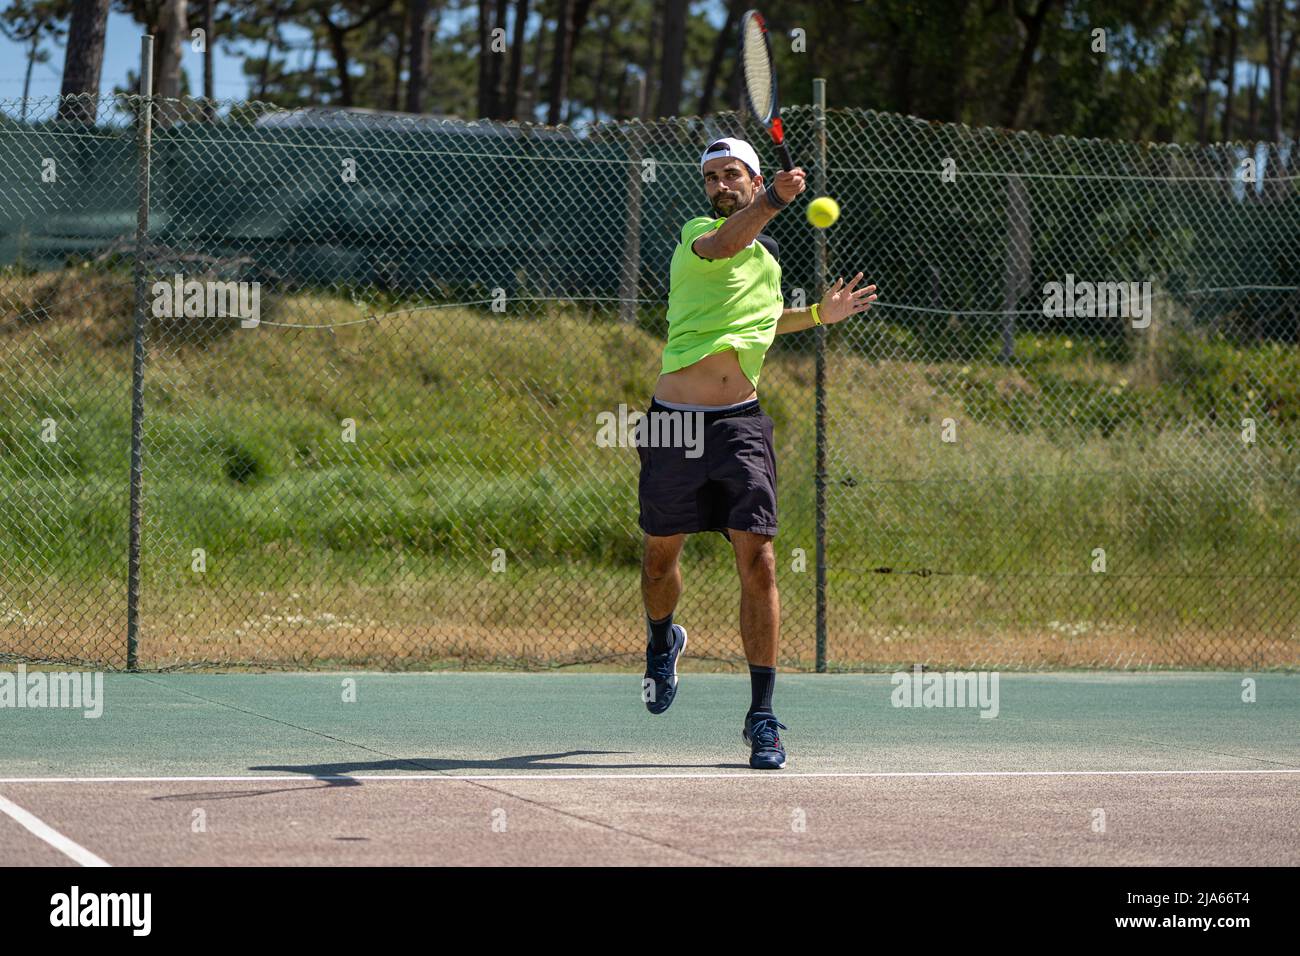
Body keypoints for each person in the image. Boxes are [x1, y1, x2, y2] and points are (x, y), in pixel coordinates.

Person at [637, 137, 877, 769]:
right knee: (661, 562)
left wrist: (819, 316)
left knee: (761, 561)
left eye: (732, 174)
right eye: (712, 176)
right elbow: (725, 242)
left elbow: (768, 320)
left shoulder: (766, 263)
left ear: (748, 176)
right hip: (674, 424)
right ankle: (663, 640)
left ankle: (763, 717)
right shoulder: (699, 236)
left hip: (740, 422)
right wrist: (774, 198)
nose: (720, 183)